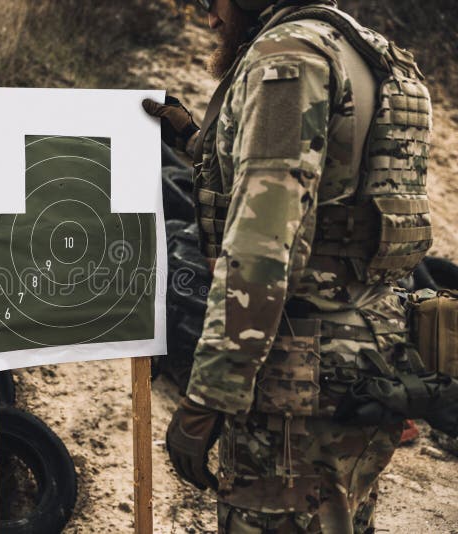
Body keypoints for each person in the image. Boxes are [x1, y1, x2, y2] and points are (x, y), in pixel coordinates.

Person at [143, 0, 433, 532]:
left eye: (215, 3)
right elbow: (336, 191)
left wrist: (209, 395)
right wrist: (196, 140)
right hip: (373, 356)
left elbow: (264, 242)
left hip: (298, 376)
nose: (210, 18)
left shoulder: (287, 56)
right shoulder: (373, 53)